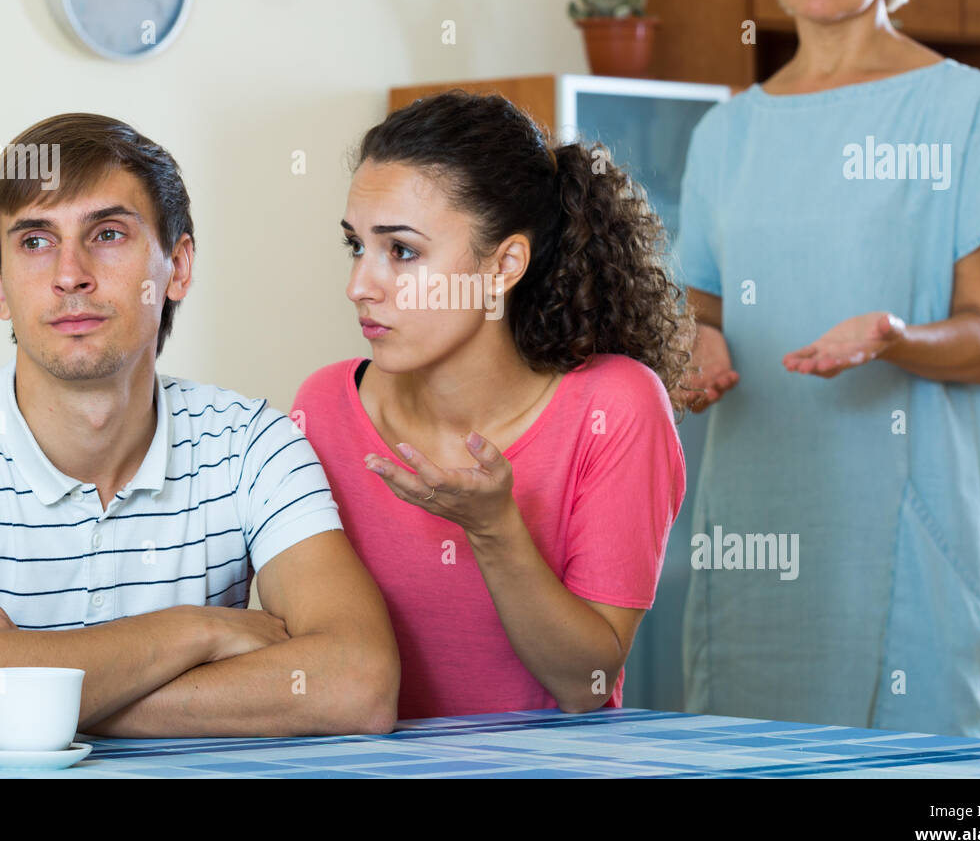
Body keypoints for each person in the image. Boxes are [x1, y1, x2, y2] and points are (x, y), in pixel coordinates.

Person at [0, 113, 400, 753]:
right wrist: (196, 632)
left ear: (178, 267)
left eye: (108, 233)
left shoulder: (254, 444)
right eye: (36, 242)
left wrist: (17, 671)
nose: (70, 274)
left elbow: (358, 683)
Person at [675, 0, 980, 738]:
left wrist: (896, 338)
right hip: (758, 527)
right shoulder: (728, 134)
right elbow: (697, 301)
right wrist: (696, 341)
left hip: (906, 526)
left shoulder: (960, 109)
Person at [291, 90, 688, 719]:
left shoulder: (616, 407)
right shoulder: (323, 406)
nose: (359, 285)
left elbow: (585, 684)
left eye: (402, 251)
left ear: (503, 265)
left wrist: (493, 528)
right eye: (356, 246)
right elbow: (312, 652)